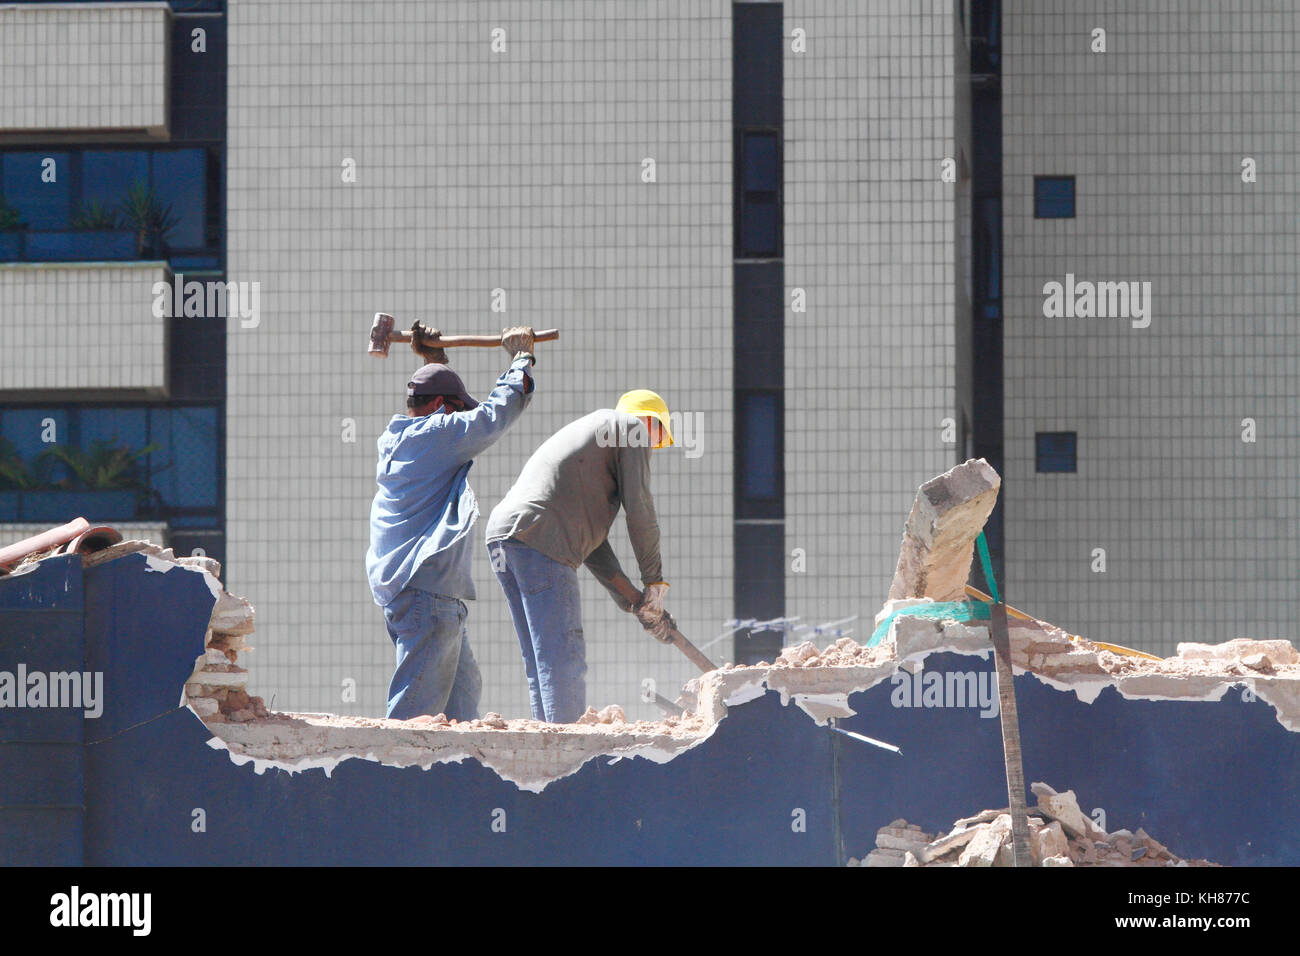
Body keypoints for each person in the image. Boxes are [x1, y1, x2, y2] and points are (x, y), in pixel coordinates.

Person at [366, 323, 536, 720]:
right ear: (441, 406)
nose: (460, 421)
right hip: (428, 596)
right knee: (415, 715)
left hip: (420, 594)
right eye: (456, 410)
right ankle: (394, 762)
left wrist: (435, 362)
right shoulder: (436, 434)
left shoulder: (399, 437)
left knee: (462, 706)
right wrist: (520, 359)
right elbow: (493, 416)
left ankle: (458, 764)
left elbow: (453, 419)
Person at [485, 389, 675, 723]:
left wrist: (636, 602)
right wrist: (654, 583)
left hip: (507, 536)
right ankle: (569, 749)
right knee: (563, 655)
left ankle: (548, 744)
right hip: (540, 537)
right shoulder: (631, 428)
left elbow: (593, 548)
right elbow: (641, 512)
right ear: (651, 422)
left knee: (543, 659)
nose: (651, 449)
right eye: (657, 439)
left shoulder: (596, 444)